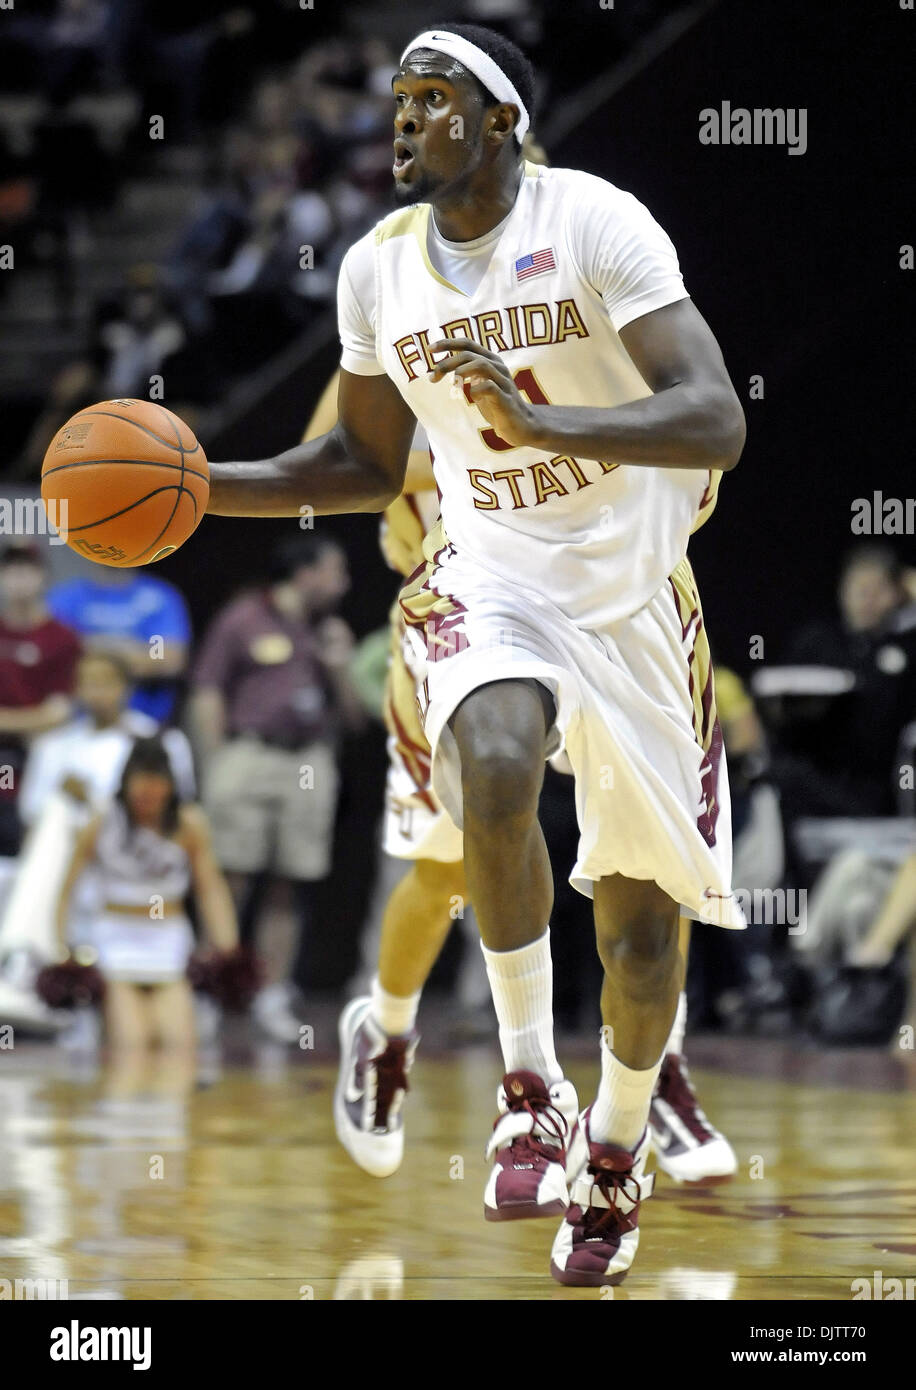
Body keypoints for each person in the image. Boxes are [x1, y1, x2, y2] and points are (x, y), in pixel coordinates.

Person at [204, 22, 746, 1286]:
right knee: (485, 776)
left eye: (431, 98)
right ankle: (523, 1082)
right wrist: (197, 489)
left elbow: (718, 418)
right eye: (395, 99)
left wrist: (544, 414)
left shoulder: (596, 220)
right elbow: (350, 464)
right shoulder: (378, 272)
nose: (401, 119)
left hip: (633, 592)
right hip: (489, 573)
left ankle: (614, 1152)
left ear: (500, 122)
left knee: (641, 937)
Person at [304, 357, 737, 1188]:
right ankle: (388, 1031)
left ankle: (659, 1070)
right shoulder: (392, 331)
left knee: (653, 852)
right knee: (448, 867)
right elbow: (332, 466)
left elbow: (691, 438)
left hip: (604, 602)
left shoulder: (575, 305)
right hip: (457, 608)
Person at [190, 533, 363, 1042]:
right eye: (335, 571)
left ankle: (271, 992)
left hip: (308, 762)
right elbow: (207, 692)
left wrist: (340, 667)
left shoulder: (329, 633)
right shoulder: (243, 619)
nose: (343, 584)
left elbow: (353, 720)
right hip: (247, 755)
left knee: (290, 883)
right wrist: (216, 764)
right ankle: (208, 989)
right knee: (231, 878)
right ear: (304, 572)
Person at [55, 736, 238, 1053]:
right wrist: (64, 951)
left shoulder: (188, 824)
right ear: (125, 782)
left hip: (168, 943)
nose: (147, 791)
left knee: (177, 1044)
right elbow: (65, 891)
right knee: (131, 1041)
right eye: (139, 780)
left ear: (170, 785)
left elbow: (210, 890)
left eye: (156, 781)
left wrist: (228, 950)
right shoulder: (101, 823)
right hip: (115, 942)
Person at [0, 541, 81, 857]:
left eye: (27, 569)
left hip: (39, 756)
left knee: (29, 851)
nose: (19, 577)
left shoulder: (62, 638)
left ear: (42, 576)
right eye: (11, 568)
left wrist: (6, 722)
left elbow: (59, 712)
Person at [48, 557, 192, 724]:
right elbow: (57, 658)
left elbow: (164, 658)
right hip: (79, 722)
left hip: (146, 720)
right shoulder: (66, 598)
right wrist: (134, 650)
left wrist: (93, 647)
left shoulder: (158, 599)